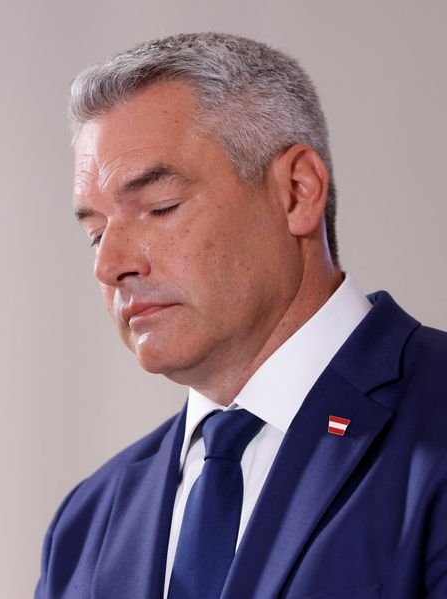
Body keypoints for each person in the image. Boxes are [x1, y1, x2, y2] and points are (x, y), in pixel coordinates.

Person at [35, 33, 447, 599]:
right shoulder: (85, 525)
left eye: (160, 209)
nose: (111, 265)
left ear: (298, 192)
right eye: (96, 234)